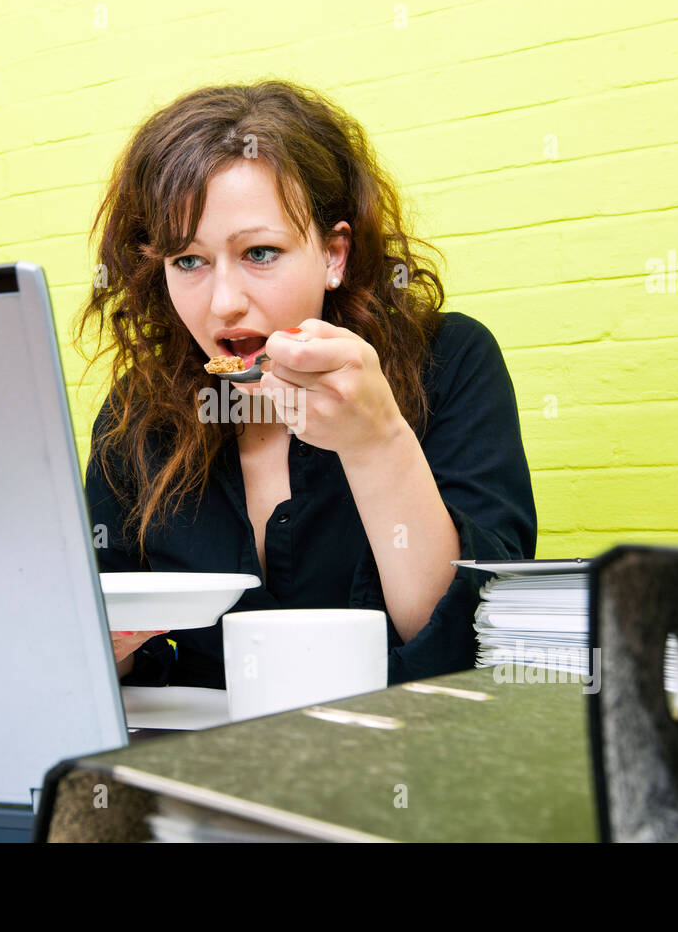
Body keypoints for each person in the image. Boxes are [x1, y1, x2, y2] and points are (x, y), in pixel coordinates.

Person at [72, 79, 536, 689]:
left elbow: (475, 647)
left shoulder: (450, 361)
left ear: (334, 254)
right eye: (188, 261)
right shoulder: (141, 408)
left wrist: (377, 442)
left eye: (260, 253)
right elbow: (111, 656)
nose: (224, 304)